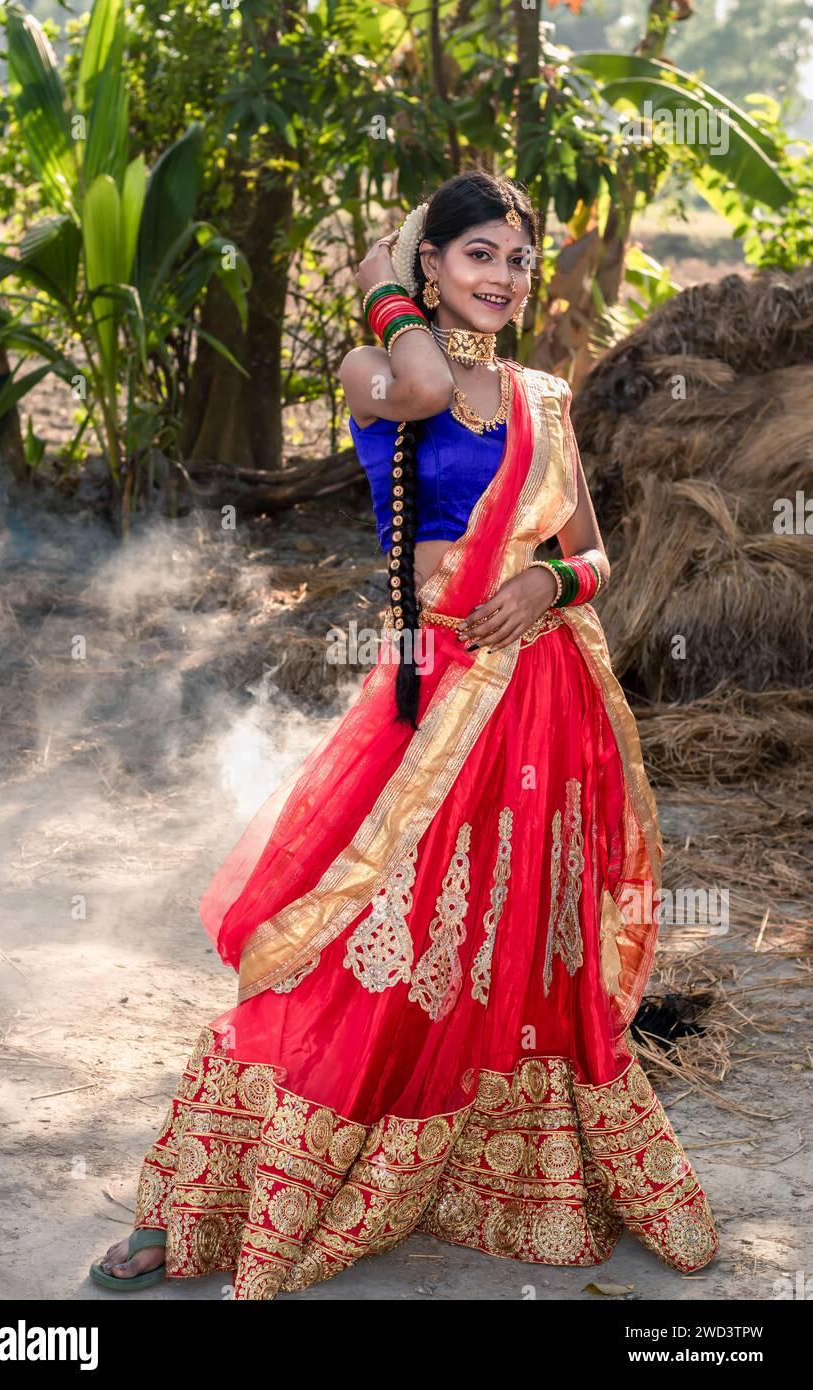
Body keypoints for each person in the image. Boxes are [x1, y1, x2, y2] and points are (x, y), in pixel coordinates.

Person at [90, 169, 718, 1300]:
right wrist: (381, 286)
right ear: (429, 265)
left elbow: (594, 555)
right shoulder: (375, 372)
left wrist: (544, 582)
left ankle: (481, 1170)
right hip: (434, 694)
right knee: (369, 930)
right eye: (476, 253)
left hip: (541, 694)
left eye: (517, 261)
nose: (504, 277)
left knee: (514, 931)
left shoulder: (542, 398)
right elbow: (423, 379)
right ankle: (209, 1198)